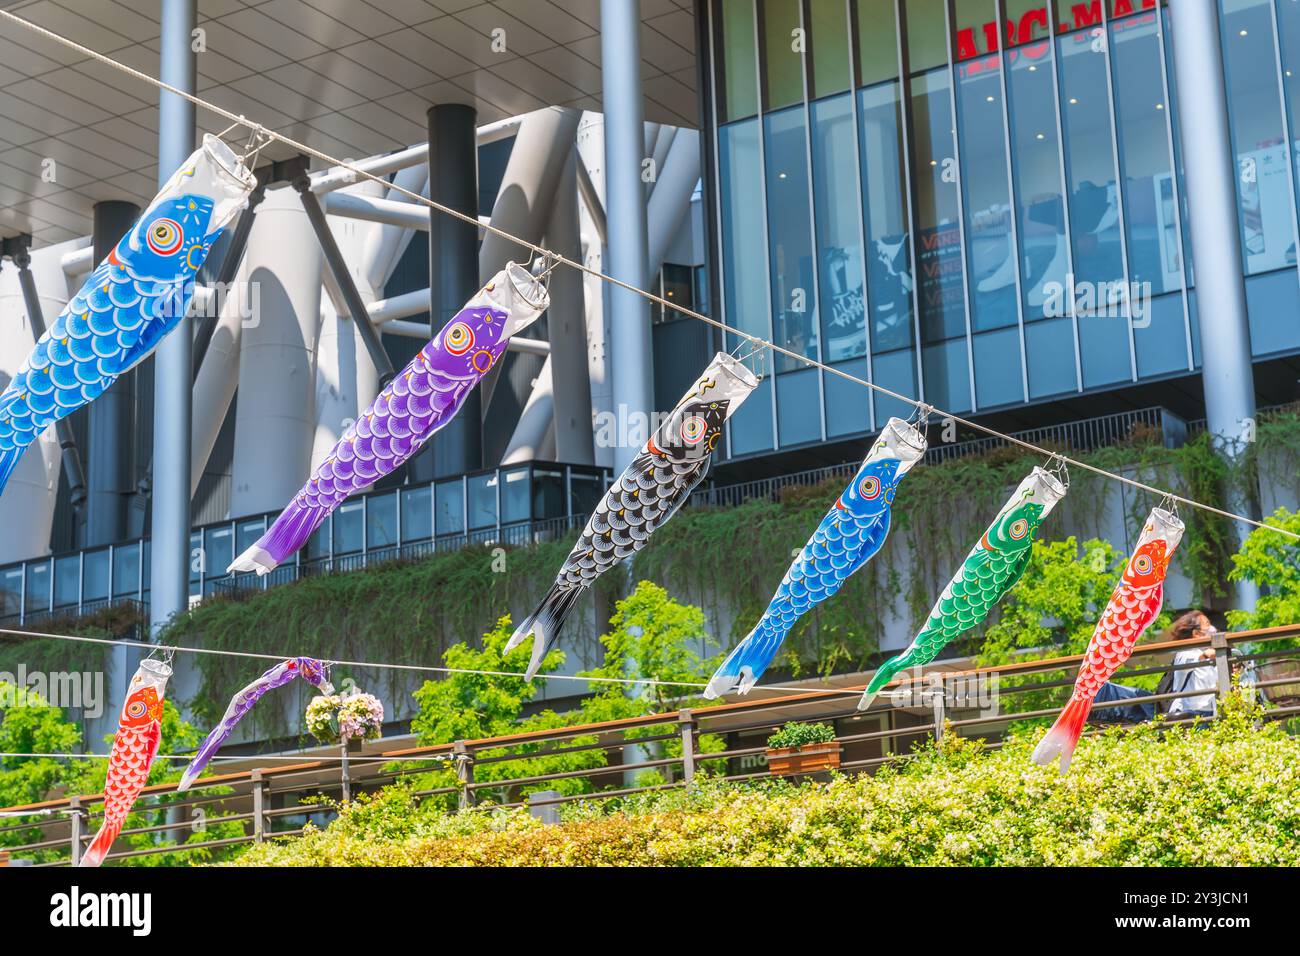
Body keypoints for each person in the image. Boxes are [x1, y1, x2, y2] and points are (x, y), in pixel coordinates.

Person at [1160, 610, 1219, 720]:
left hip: (1211, 711)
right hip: (1189, 713)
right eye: (1207, 624)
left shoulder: (1209, 655)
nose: (1212, 628)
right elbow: (1189, 662)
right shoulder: (1185, 653)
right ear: (1196, 633)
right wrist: (1205, 655)